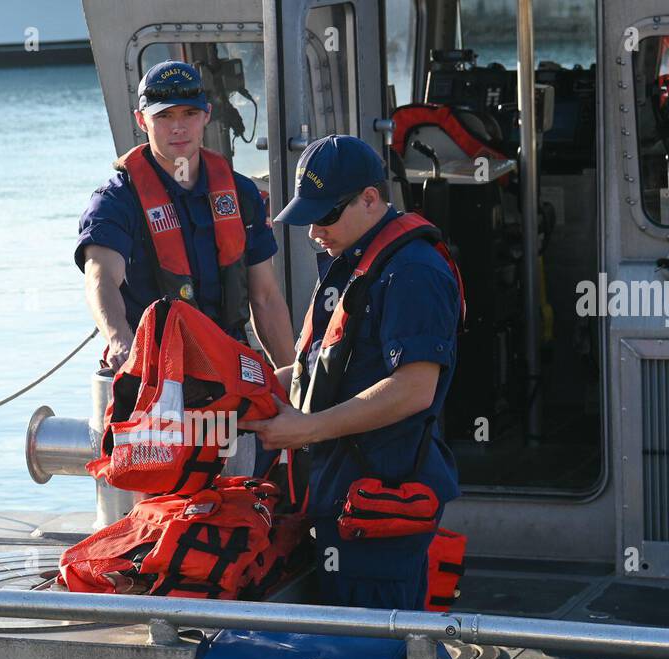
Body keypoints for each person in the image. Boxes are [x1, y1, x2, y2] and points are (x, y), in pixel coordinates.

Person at [246, 135, 462, 611]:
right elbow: (318, 368)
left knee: (381, 647)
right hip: (337, 497)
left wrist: (306, 428)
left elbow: (414, 389)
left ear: (370, 199)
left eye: (324, 215)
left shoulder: (413, 272)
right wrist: (243, 391)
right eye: (307, 217)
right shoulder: (354, 262)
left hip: (379, 503)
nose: (312, 231)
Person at [76, 60, 295, 373]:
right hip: (155, 371)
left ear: (206, 114)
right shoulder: (116, 200)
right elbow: (100, 278)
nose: (178, 127)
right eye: (164, 116)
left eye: (189, 113)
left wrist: (291, 382)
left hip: (231, 367)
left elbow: (266, 298)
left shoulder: (241, 194)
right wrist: (119, 338)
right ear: (141, 120)